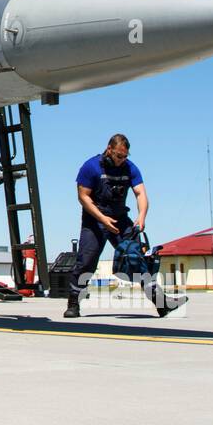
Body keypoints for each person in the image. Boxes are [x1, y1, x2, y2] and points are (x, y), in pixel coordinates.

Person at [64, 133, 187, 318]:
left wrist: (142, 216)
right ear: (109, 149)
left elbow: (141, 193)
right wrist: (102, 219)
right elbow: (83, 196)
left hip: (121, 218)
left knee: (138, 257)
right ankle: (73, 304)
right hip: (95, 220)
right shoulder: (90, 167)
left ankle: (162, 304)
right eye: (119, 156)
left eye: (125, 156)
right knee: (86, 261)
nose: (122, 160)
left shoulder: (130, 168)